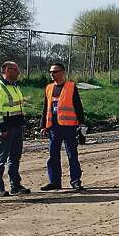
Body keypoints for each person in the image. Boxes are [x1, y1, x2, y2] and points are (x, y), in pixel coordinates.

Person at [40, 62, 86, 191]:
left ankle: (76, 181)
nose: (52, 74)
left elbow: (78, 106)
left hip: (69, 127)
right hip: (53, 127)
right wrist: (43, 125)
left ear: (62, 72)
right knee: (53, 155)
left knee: (72, 155)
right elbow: (46, 107)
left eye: (55, 71)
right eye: (51, 72)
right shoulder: (49, 88)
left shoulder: (71, 86)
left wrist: (82, 125)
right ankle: (54, 182)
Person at [0, 61, 31, 197]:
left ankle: (15, 185)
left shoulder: (15, 87)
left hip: (17, 127)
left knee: (14, 157)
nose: (18, 72)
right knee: (1, 158)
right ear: (6, 70)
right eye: (14, 69)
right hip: (5, 128)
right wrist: (2, 128)